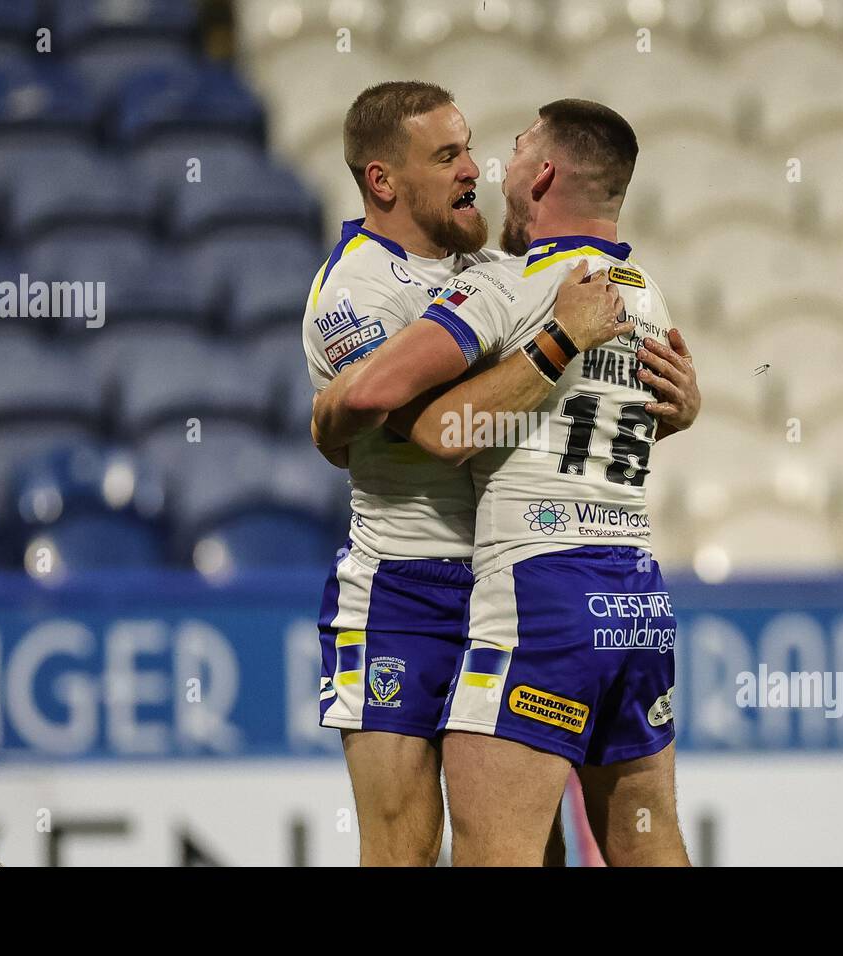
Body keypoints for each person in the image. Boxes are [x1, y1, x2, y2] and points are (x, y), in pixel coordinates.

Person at [313, 100, 699, 866]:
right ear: (384, 180)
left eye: (485, 151)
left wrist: (675, 407)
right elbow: (378, 403)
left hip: (524, 587)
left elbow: (439, 426)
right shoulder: (355, 287)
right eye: (450, 156)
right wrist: (334, 411)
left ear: (545, 174)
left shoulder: (499, 278)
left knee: (509, 846)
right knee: (408, 849)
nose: (475, 170)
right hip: (409, 592)